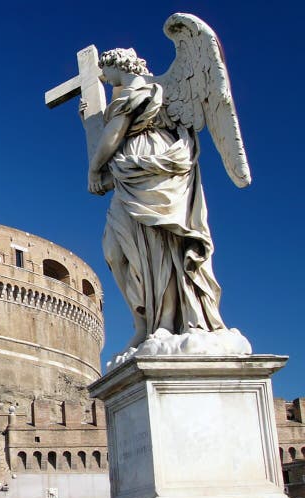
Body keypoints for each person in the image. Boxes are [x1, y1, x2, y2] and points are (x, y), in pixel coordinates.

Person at [82, 47, 225, 350]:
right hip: (129, 175)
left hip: (154, 169)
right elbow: (112, 138)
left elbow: (114, 134)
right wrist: (89, 124)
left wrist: (94, 169)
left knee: (163, 247)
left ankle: (166, 319)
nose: (102, 78)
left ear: (116, 65)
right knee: (115, 249)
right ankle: (143, 322)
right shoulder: (127, 96)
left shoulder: (146, 91)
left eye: (103, 72)